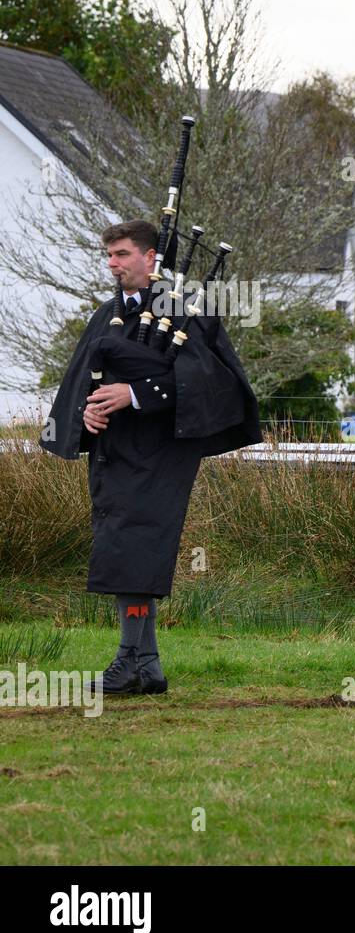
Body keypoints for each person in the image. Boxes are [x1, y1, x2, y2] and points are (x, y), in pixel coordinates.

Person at [39, 220, 261, 694]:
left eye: (121, 254)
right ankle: (147, 664)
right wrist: (88, 415)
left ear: (151, 258)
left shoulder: (184, 312)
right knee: (127, 551)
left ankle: (129, 660)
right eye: (110, 256)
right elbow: (83, 378)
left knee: (137, 552)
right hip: (115, 453)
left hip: (161, 453)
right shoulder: (108, 315)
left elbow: (209, 383)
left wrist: (136, 394)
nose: (112, 264)